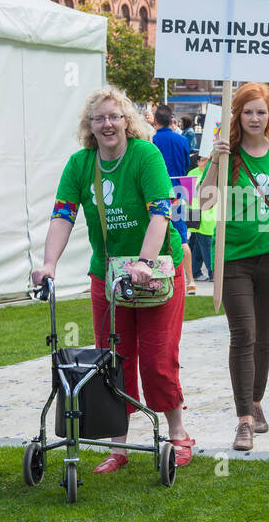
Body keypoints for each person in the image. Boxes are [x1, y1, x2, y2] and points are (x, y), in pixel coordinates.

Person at [31, 86, 195, 469]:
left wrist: (143, 261)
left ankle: (177, 433)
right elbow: (63, 214)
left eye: (114, 116)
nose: (108, 124)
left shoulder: (145, 155)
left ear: (127, 121)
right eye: (99, 118)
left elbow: (160, 213)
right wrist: (49, 264)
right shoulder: (80, 164)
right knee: (113, 359)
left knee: (158, 358)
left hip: (155, 272)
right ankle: (118, 446)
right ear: (89, 126)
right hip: (107, 276)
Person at [200, 82, 269, 451]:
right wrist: (215, 160)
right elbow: (203, 201)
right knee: (243, 334)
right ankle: (244, 419)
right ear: (238, 115)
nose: (255, 118)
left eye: (261, 112)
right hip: (232, 258)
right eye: (247, 111)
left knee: (265, 334)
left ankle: (257, 401)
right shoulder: (226, 155)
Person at [153, 103, 194, 291]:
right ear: (171, 121)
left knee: (156, 236)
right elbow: (186, 165)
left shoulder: (152, 140)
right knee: (182, 237)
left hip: (156, 193)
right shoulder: (181, 140)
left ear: (155, 121)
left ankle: (161, 278)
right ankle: (190, 280)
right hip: (177, 191)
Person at [185, 152, 215, 280]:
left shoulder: (212, 172)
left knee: (198, 244)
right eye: (203, 160)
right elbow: (187, 197)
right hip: (197, 214)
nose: (206, 162)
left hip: (211, 214)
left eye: (208, 160)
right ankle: (212, 272)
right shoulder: (192, 174)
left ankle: (195, 271)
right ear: (197, 161)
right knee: (206, 245)